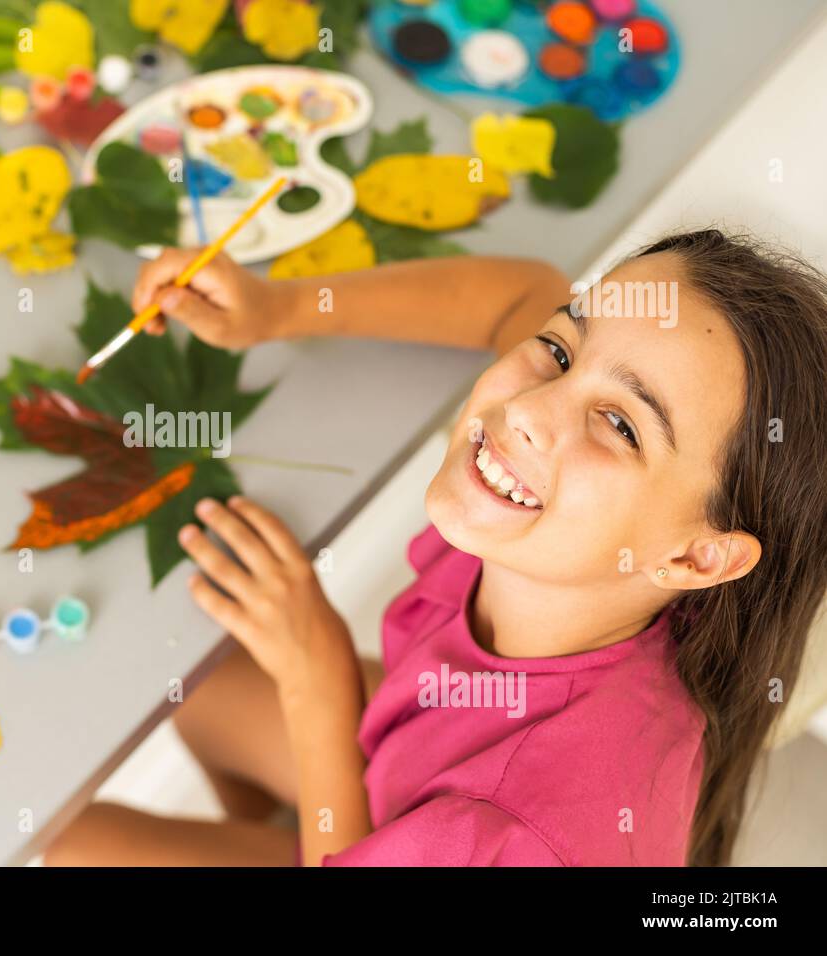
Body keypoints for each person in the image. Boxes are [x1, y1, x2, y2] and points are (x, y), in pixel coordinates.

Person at [44, 229, 827, 866]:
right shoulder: (613, 551)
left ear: (696, 559)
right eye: (562, 352)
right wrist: (276, 307)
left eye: (620, 424)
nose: (529, 409)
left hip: (452, 833)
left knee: (77, 847)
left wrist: (317, 678)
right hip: (412, 787)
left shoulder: (517, 835)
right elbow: (525, 291)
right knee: (199, 684)